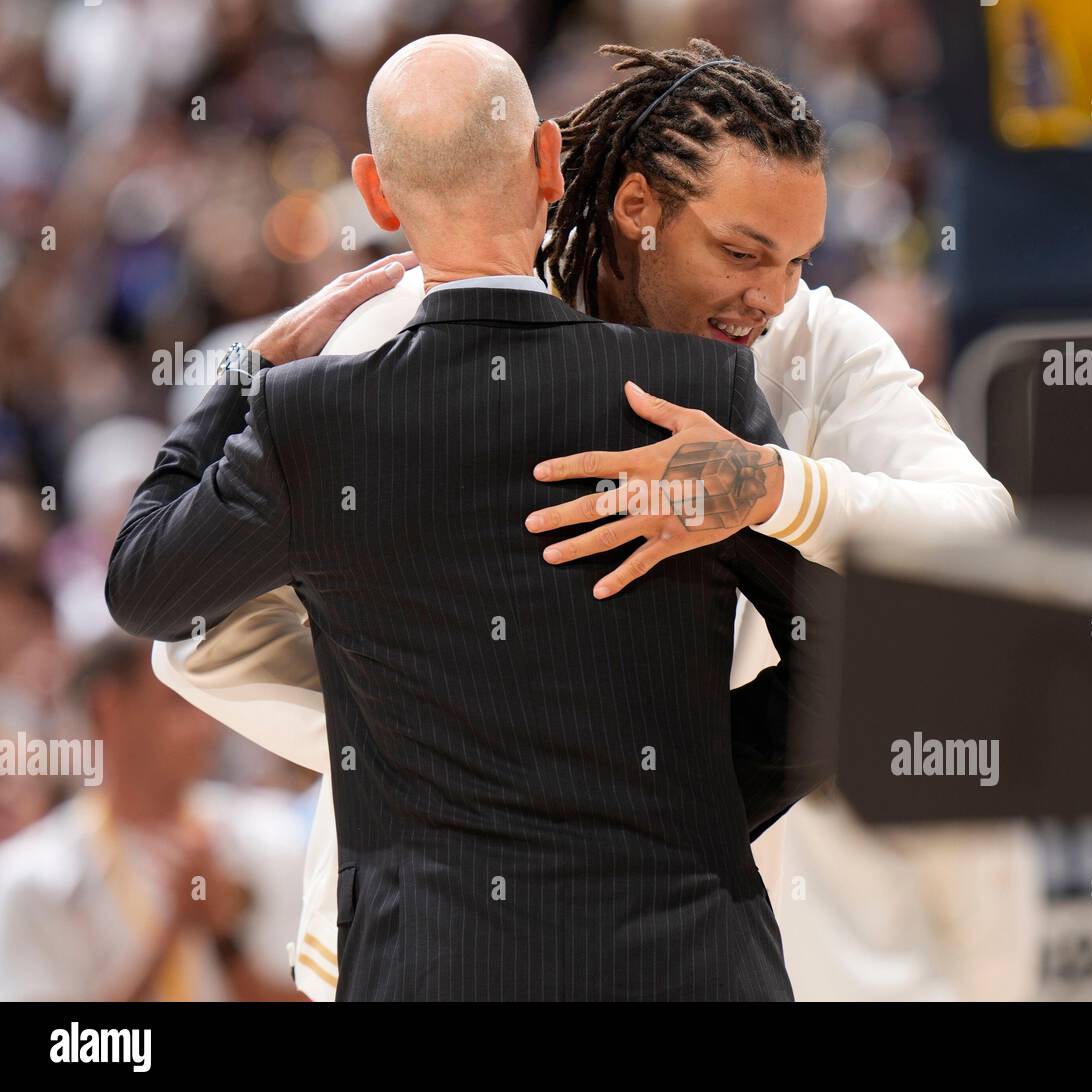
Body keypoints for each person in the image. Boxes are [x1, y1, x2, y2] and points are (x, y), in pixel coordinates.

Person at [157, 38, 1033, 1001]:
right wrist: (464, 750)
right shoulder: (406, 335)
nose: (773, 297)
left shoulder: (811, 344)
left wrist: (767, 487)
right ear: (636, 210)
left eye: (798, 260)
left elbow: (980, 544)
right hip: (447, 941)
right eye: (741, 254)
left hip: (688, 933)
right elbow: (191, 633)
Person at [0, 636, 305, 1001]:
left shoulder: (272, 833)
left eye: (205, 700)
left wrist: (225, 939)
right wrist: (173, 930)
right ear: (107, 710)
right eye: (179, 702)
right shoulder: (31, 878)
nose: (205, 727)